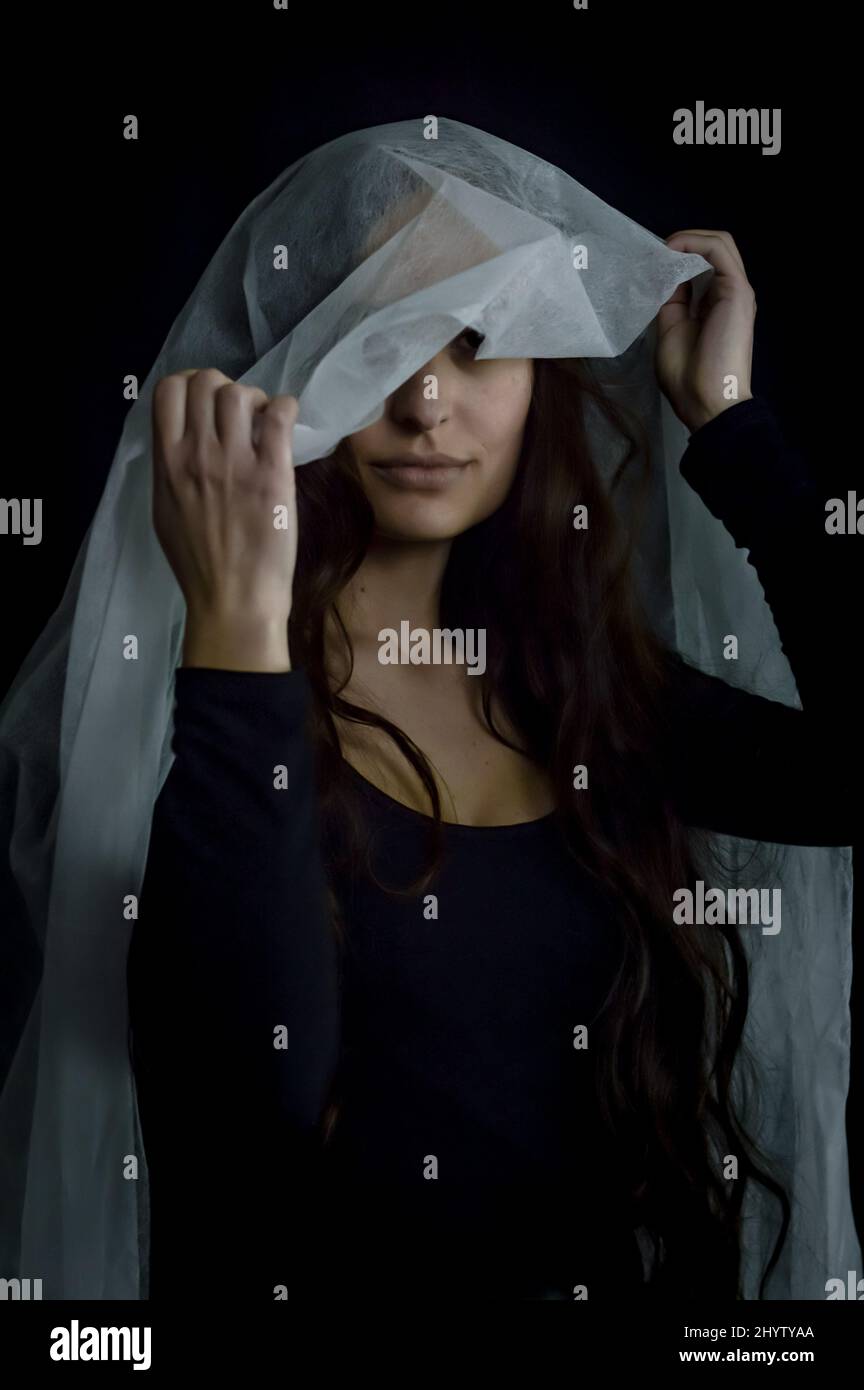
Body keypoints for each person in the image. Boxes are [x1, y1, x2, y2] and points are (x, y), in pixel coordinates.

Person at [126, 229, 856, 1300]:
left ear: (542, 382)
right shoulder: (203, 702)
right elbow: (259, 1095)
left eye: (481, 342)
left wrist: (735, 430)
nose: (425, 401)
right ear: (299, 368)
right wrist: (239, 635)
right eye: (382, 337)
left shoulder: (593, 702)